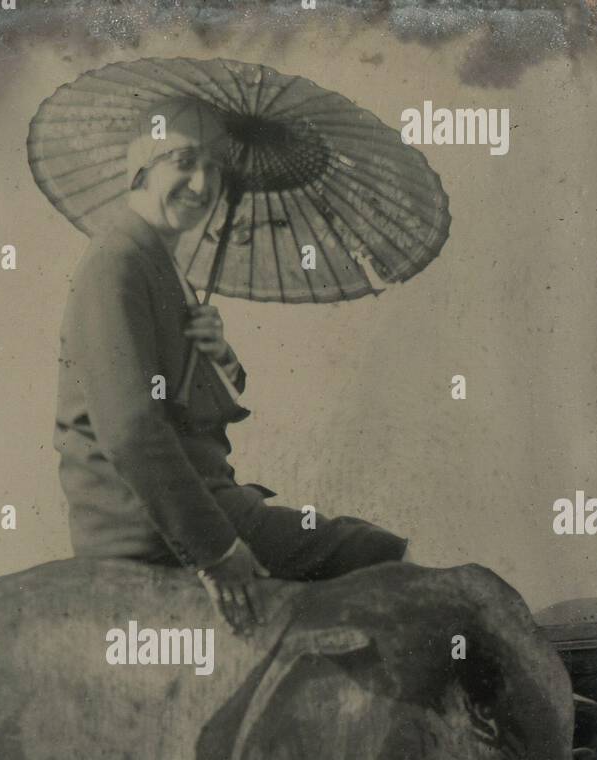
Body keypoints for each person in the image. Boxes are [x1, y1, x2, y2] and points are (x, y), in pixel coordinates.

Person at [53, 100, 408, 635]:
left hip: (199, 497)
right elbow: (130, 431)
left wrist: (220, 356)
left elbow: (182, 401)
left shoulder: (159, 263)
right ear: (143, 165)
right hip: (144, 523)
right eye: (185, 160)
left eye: (215, 167)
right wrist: (216, 551)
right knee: (372, 551)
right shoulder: (118, 264)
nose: (202, 184)